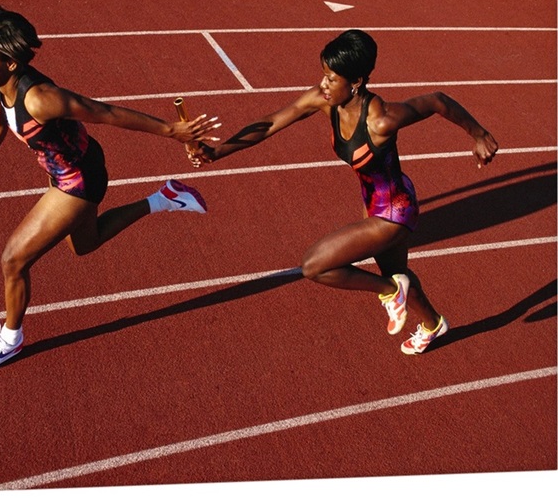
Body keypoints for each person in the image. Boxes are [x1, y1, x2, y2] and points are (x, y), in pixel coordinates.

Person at [189, 29, 498, 355]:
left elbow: (437, 100)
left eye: (331, 78)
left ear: (356, 81)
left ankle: (390, 291)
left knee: (315, 266)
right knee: (398, 274)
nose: (323, 84)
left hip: (395, 212)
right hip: (374, 203)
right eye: (324, 74)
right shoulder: (326, 101)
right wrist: (217, 152)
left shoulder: (382, 121)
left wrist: (479, 135)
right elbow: (270, 123)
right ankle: (433, 324)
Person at [0, 6, 219, 370]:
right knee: (85, 244)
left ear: (11, 63)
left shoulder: (42, 99)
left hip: (79, 179)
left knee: (13, 259)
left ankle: (10, 340)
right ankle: (165, 198)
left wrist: (172, 131)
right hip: (64, 170)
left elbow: (105, 112)